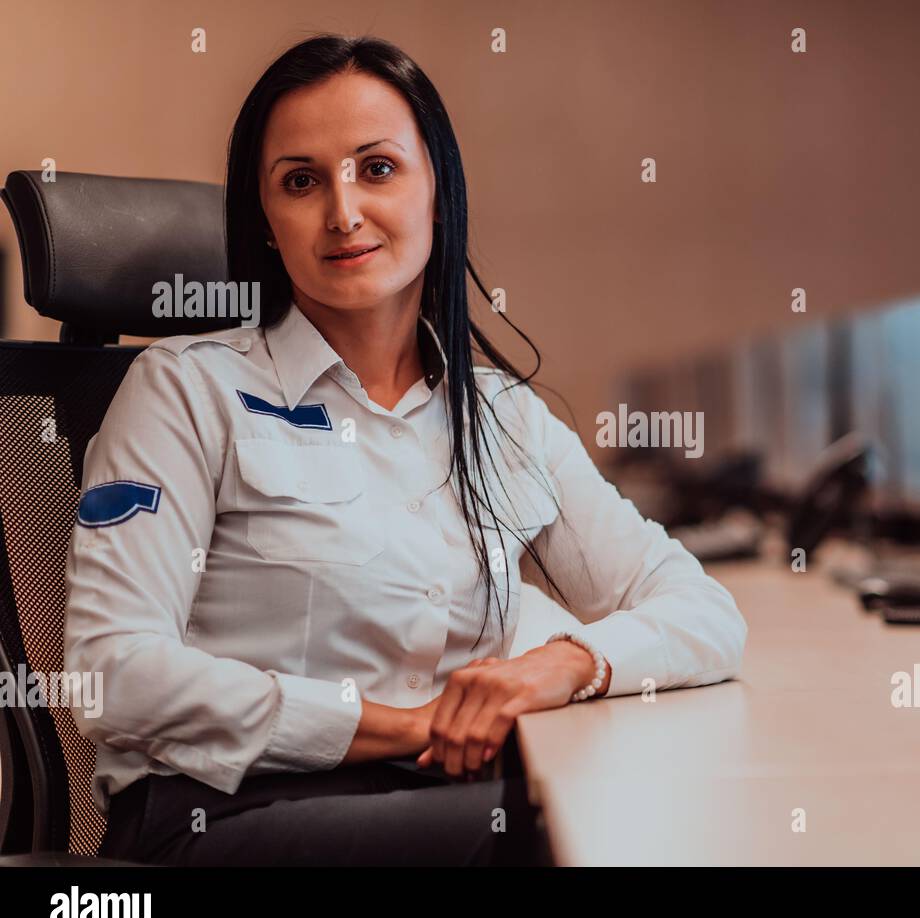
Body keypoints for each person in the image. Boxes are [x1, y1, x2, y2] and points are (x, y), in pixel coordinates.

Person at [64, 33, 747, 866]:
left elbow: (705, 614)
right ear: (267, 224)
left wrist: (565, 665)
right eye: (301, 181)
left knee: (659, 801)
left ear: (438, 193)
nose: (344, 212)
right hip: (228, 814)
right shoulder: (186, 390)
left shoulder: (500, 417)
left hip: (442, 803)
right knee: (565, 838)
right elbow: (114, 672)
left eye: (377, 169)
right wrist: (405, 725)